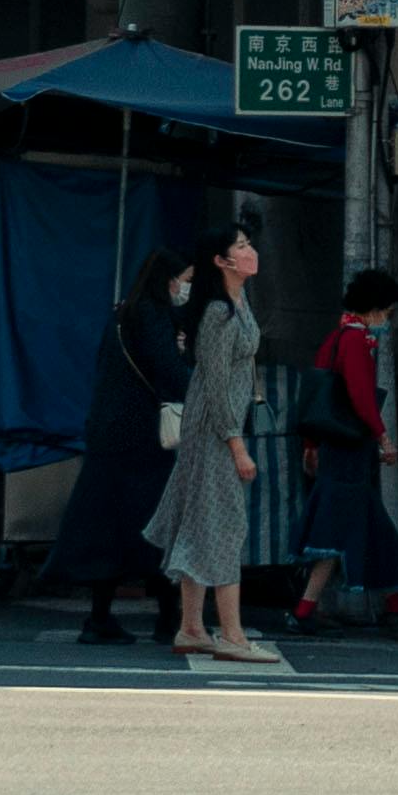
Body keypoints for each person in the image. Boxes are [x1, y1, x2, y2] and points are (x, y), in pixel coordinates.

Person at [45, 223, 204, 648]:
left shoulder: (122, 315)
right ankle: (168, 618)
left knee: (107, 529)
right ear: (168, 280)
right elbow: (169, 372)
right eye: (186, 279)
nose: (187, 288)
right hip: (142, 441)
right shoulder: (153, 317)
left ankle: (100, 617)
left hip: (108, 436)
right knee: (161, 525)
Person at [155, 218, 280, 665]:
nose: (251, 252)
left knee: (201, 522)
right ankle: (232, 635)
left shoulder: (237, 302)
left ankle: (192, 627)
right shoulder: (218, 312)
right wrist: (236, 444)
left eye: (249, 243)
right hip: (213, 429)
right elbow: (214, 382)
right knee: (226, 526)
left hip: (215, 426)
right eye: (241, 246)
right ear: (222, 261)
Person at [290, 279, 398, 627]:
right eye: (387, 312)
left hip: (334, 447)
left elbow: (316, 395)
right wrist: (384, 438)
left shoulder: (336, 338)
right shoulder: (356, 342)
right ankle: (306, 611)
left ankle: (394, 603)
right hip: (349, 451)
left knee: (368, 528)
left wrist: (311, 445)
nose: (387, 319)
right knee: (339, 533)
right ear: (375, 309)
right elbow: (362, 397)